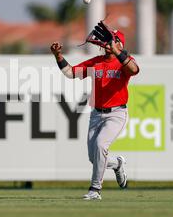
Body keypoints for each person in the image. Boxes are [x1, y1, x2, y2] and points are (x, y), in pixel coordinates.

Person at [50, 24, 139, 200]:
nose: (107, 44)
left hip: (117, 113)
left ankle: (95, 190)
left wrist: (118, 52)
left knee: (100, 146)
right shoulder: (96, 62)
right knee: (94, 157)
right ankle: (118, 164)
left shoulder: (124, 61)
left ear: (120, 44)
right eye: (106, 40)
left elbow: (134, 70)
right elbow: (70, 73)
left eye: (112, 41)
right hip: (96, 114)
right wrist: (58, 56)